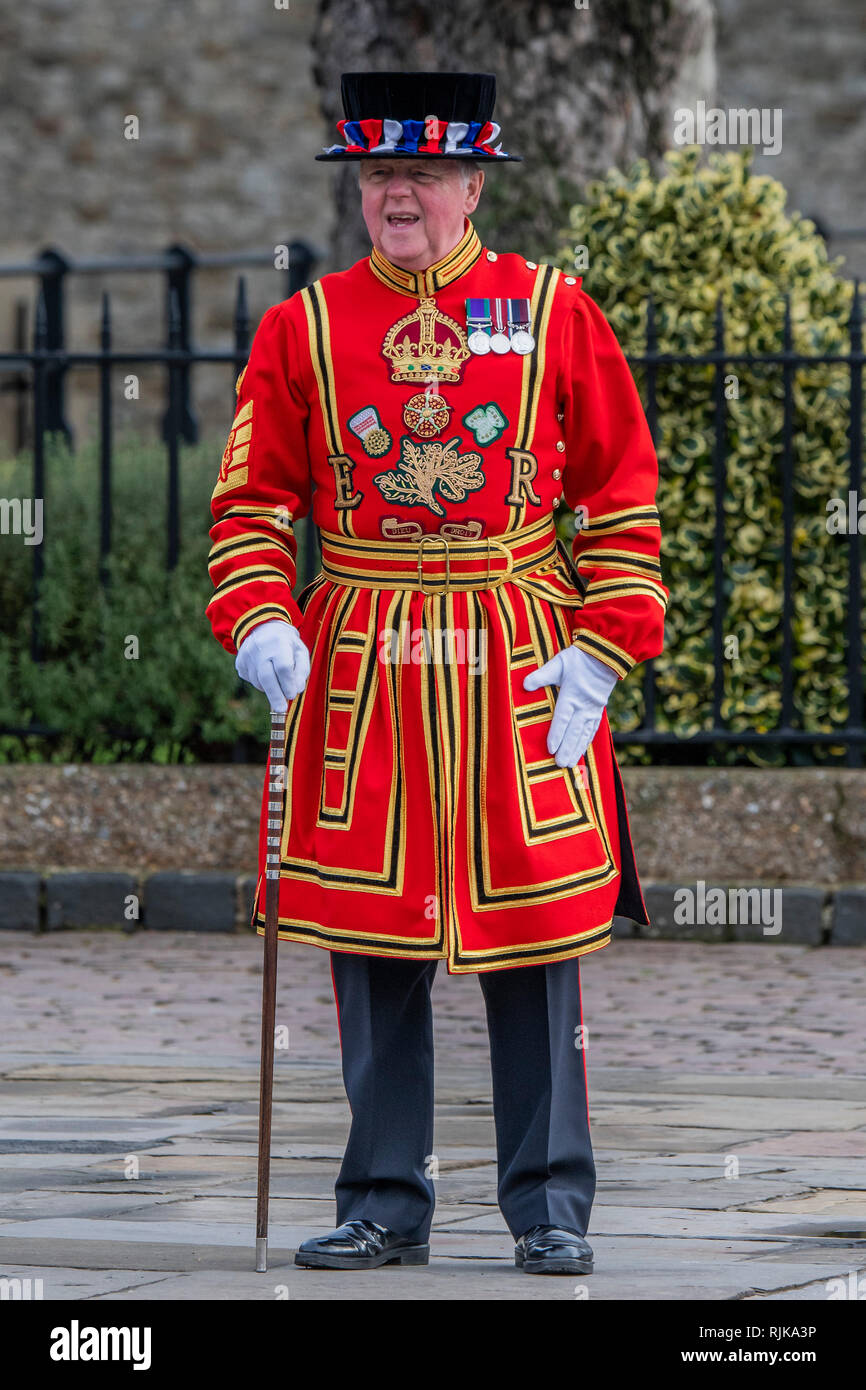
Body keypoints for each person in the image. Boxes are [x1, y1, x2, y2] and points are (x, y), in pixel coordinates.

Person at [205, 70, 668, 1275]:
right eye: (375, 175)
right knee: (372, 950)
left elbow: (620, 492)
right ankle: (381, 1199)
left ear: (472, 183)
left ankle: (550, 1201)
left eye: (419, 173)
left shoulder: (552, 309)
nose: (396, 193)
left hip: (520, 659)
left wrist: (602, 646)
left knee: (537, 942)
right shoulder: (303, 325)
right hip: (362, 662)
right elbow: (251, 504)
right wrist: (259, 616)